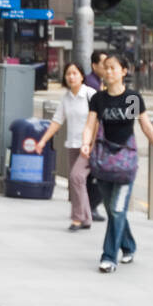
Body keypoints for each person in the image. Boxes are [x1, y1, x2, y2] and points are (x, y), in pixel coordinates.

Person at [80, 52, 153, 273]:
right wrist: (85, 143)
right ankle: (129, 245)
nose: (109, 72)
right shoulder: (99, 99)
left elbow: (145, 127)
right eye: (106, 68)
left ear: (123, 71)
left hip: (125, 161)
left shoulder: (132, 98)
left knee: (118, 210)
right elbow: (90, 125)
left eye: (113, 68)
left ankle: (109, 256)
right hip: (102, 161)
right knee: (112, 210)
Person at [35, 61, 92, 230]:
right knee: (77, 181)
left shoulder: (91, 94)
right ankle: (87, 218)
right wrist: (43, 140)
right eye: (68, 74)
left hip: (88, 146)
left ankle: (77, 218)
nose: (71, 77)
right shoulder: (66, 98)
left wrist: (89, 143)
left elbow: (98, 121)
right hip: (72, 145)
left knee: (76, 178)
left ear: (82, 76)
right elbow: (57, 121)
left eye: (75, 73)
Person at [82, 49, 107, 221]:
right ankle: (90, 207)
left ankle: (89, 207)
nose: (107, 68)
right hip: (92, 135)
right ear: (94, 65)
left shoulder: (97, 82)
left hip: (92, 134)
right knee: (95, 174)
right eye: (104, 64)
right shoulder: (92, 84)